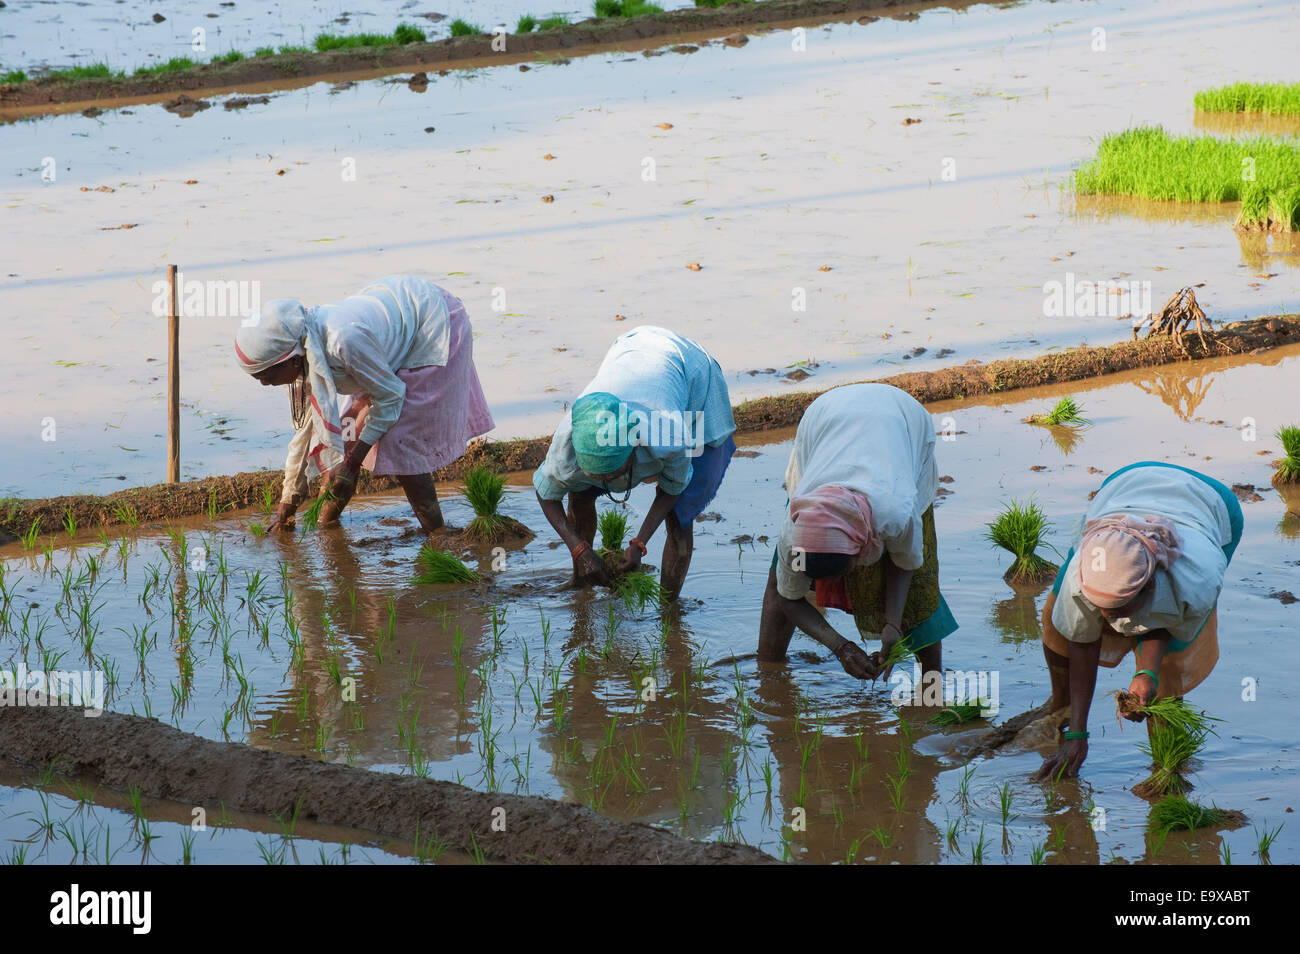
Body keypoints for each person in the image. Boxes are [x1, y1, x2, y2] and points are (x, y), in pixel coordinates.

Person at [235, 274, 494, 533]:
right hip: (388, 323)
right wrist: (287, 507)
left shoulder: (343, 342)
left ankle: (437, 534)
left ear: (291, 360)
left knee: (402, 439)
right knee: (344, 438)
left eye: (266, 376)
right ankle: (326, 526)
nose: (264, 384)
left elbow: (391, 396)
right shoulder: (304, 351)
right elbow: (305, 433)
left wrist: (353, 462)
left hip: (432, 322)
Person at [1034, 461, 1243, 781]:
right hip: (1126, 485)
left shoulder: (1197, 581)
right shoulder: (1082, 573)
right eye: (1099, 608)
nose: (1105, 619)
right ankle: (1061, 707)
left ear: (1148, 587)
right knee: (1058, 627)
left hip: (1210, 506)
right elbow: (1081, 641)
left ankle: (1166, 763)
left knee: (1171, 667)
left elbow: (1167, 623)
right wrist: (1078, 735)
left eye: (1116, 610)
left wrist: (1147, 673)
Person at [758, 383, 958, 682]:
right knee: (781, 582)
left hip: (903, 420)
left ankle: (932, 691)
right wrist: (840, 647)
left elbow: (905, 565)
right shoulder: (795, 527)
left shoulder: (897, 510)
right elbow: (789, 596)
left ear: (860, 550)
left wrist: (893, 625)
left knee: (919, 589)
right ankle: (768, 673)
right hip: (825, 419)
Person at [533, 326, 736, 599]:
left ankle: (668, 606)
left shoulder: (670, 436)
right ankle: (582, 581)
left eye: (614, 473)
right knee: (579, 493)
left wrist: (639, 544)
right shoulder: (569, 439)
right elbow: (546, 493)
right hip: (632, 351)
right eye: (596, 475)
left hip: (690, 375)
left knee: (681, 515)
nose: (607, 484)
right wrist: (579, 549)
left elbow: (672, 489)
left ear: (634, 449)